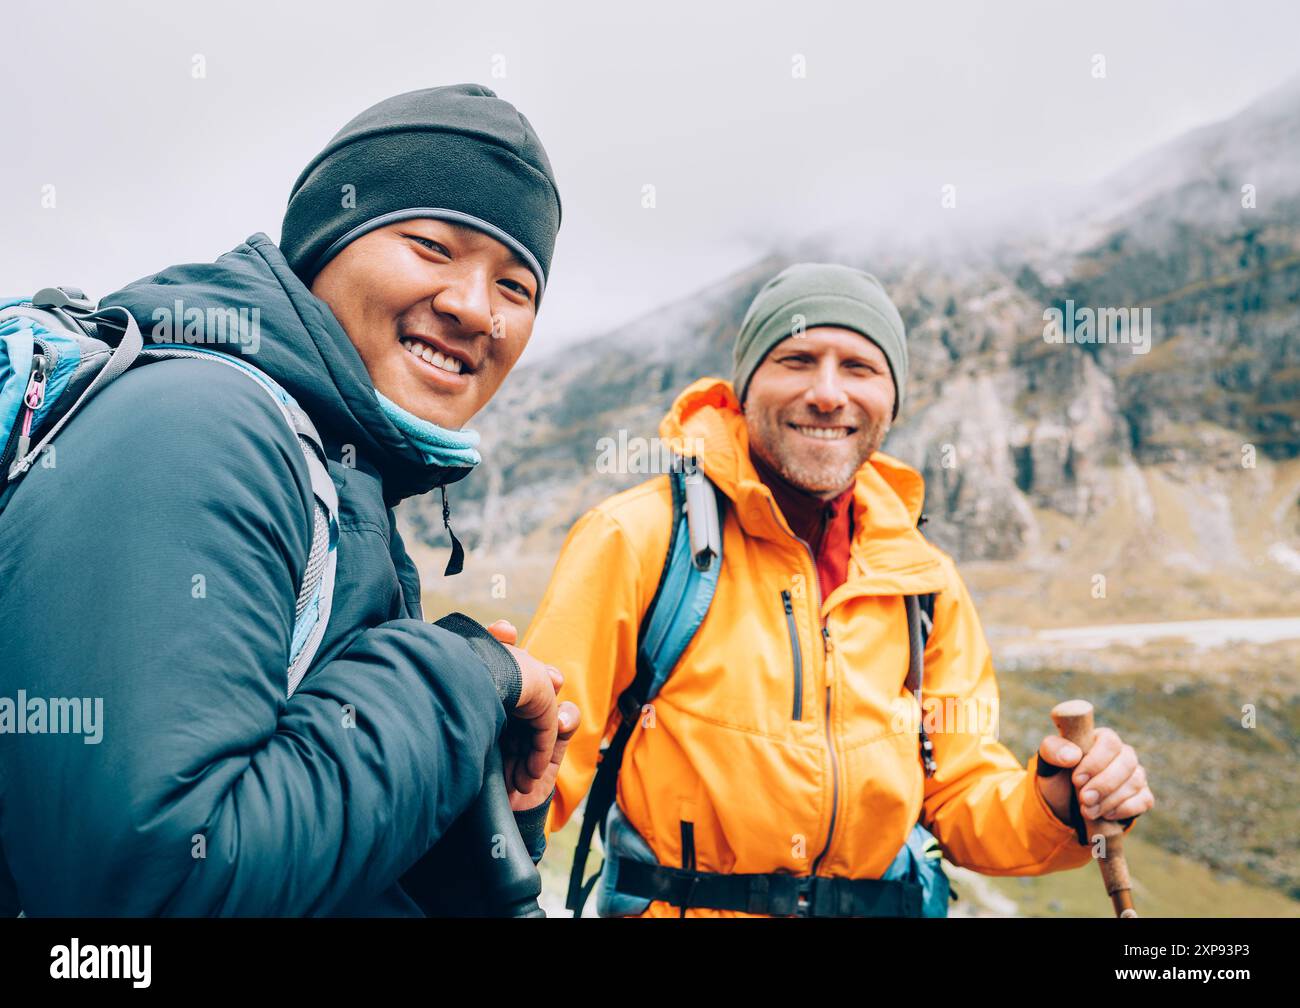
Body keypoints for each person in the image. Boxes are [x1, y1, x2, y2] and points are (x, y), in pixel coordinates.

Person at [0, 84, 578, 916]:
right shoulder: (198, 427)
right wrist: (457, 678)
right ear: (322, 245)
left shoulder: (343, 484)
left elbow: (305, 857)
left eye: (516, 288)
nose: (474, 309)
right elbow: (152, 890)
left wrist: (474, 814)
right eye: (431, 247)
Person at [523, 262, 1155, 917]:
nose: (827, 394)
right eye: (797, 360)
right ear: (744, 388)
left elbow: (960, 792)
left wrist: (1056, 805)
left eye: (859, 368)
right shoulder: (637, 538)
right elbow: (530, 772)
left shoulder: (923, 580)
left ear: (892, 400)